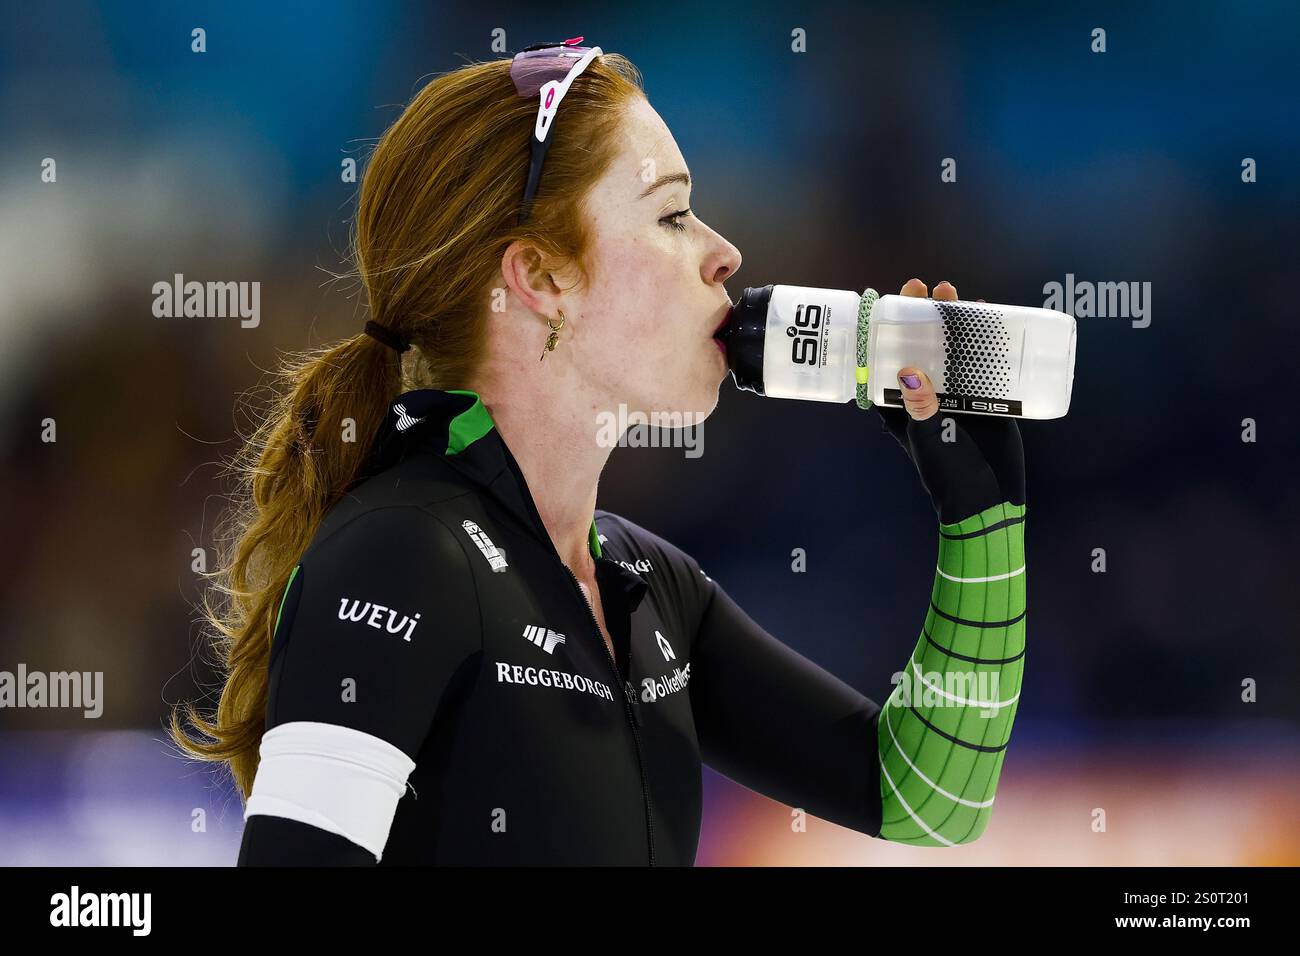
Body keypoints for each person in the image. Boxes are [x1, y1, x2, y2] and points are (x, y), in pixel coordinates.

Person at [170, 39, 1027, 865]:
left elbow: (929, 800)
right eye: (673, 215)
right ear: (540, 278)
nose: (725, 253)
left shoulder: (646, 586)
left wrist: (981, 519)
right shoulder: (399, 557)